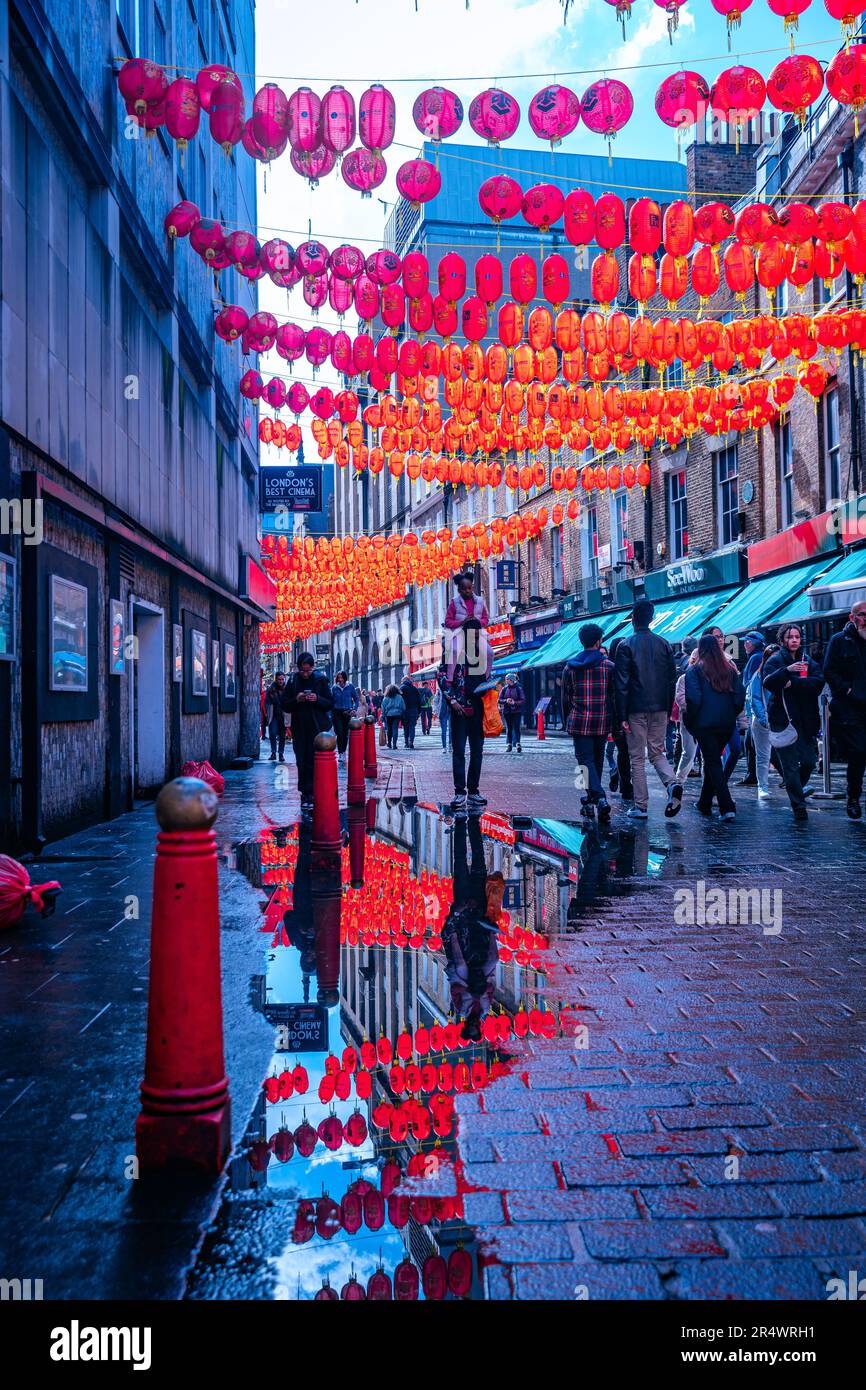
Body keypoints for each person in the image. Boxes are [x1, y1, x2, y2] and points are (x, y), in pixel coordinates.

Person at [614, 599, 681, 820]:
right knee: (657, 752)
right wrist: (668, 706)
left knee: (637, 758)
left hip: (635, 708)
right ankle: (672, 784)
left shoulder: (625, 645)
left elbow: (622, 683)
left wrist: (621, 715)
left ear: (633, 618)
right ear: (652, 619)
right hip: (660, 707)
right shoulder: (664, 644)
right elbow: (671, 679)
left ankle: (641, 806)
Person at [763, 623, 824, 821]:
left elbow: (818, 682)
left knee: (809, 762)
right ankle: (799, 807)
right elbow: (769, 682)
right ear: (782, 640)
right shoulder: (775, 660)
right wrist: (787, 671)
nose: (794, 640)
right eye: (790, 637)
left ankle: (796, 787)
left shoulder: (808, 660)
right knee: (789, 766)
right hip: (783, 719)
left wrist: (793, 684)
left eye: (797, 637)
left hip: (806, 720)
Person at [684, 633, 745, 821]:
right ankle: (704, 802)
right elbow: (739, 697)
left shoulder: (694, 670)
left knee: (713, 763)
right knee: (713, 761)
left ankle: (727, 806)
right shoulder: (729, 669)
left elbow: (693, 699)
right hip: (725, 724)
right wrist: (731, 714)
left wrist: (691, 721)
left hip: (704, 724)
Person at [562, 622, 615, 823]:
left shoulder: (570, 668)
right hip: (601, 721)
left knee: (585, 762)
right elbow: (614, 697)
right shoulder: (609, 667)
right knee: (596, 760)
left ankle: (597, 797)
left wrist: (567, 719)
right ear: (599, 641)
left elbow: (565, 697)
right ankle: (595, 797)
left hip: (579, 721)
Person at [823, 599, 866, 820]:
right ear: (852, 617)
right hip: (850, 711)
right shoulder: (840, 640)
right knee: (858, 753)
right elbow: (829, 670)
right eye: (863, 615)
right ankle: (853, 796)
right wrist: (847, 690)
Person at [439, 622, 487, 814]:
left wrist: (488, 687)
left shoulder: (480, 653)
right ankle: (460, 792)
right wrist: (452, 701)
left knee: (477, 751)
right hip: (459, 708)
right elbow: (442, 677)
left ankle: (473, 790)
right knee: (459, 751)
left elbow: (482, 678)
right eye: (474, 635)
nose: (476, 638)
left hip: (476, 707)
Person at [282, 653, 334, 813]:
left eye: (308, 671)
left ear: (312, 668)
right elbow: (285, 704)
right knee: (301, 760)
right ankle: (304, 792)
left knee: (313, 760)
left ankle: (312, 792)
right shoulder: (292, 681)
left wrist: (317, 698)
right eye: (303, 671)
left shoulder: (320, 680)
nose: (305, 674)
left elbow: (330, 703)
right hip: (299, 727)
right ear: (298, 668)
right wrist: (297, 699)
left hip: (316, 727)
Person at [444, 572, 492, 680]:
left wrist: (478, 622)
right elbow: (448, 621)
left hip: (475, 633)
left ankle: (487, 676)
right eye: (464, 588)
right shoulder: (454, 603)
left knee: (489, 653)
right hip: (460, 632)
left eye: (469, 588)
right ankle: (449, 678)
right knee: (455, 650)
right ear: (459, 590)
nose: (467, 591)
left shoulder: (479, 601)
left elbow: (485, 618)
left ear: (472, 587)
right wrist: (462, 622)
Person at [746, 643, 779, 800]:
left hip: (780, 719)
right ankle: (762, 786)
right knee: (763, 756)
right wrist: (764, 719)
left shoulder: (784, 673)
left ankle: (798, 783)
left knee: (785, 754)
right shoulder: (759, 676)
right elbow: (755, 699)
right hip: (763, 721)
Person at [737, 631, 766, 786]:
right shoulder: (757, 657)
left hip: (754, 706)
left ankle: (752, 775)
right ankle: (752, 774)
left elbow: (750, 682)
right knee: (752, 742)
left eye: (747, 641)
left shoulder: (756, 658)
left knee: (754, 742)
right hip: (754, 706)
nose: (744, 644)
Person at [607, 636, 633, 805]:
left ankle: (621, 779)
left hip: (622, 717)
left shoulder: (614, 669)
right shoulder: (613, 670)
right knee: (626, 751)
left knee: (626, 752)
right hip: (621, 718)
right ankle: (626, 785)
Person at [674, 641, 701, 789]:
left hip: (704, 720)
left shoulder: (707, 677)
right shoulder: (684, 679)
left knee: (705, 753)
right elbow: (680, 699)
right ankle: (679, 780)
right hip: (689, 720)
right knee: (689, 752)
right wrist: (695, 708)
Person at [331, 670, 359, 763]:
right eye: (338, 678)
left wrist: (354, 709)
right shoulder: (334, 688)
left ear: (344, 678)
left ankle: (343, 753)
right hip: (336, 712)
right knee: (339, 732)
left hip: (347, 712)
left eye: (341, 677)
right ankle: (340, 752)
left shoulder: (350, 686)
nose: (340, 679)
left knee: (345, 733)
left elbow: (356, 699)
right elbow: (331, 701)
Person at [499, 672, 526, 753]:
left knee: (517, 728)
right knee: (509, 728)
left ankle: (518, 744)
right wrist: (506, 701)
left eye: (507, 679)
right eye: (506, 679)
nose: (506, 681)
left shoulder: (518, 688)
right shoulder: (504, 689)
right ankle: (509, 745)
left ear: (511, 680)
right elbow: (499, 700)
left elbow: (523, 700)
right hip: (507, 712)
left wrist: (515, 702)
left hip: (516, 711)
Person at [265, 671, 288, 762]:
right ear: (276, 679)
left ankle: (281, 753)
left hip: (283, 714)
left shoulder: (287, 689)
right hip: (273, 714)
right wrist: (268, 712)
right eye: (279, 679)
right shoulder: (271, 689)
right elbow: (267, 702)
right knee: (273, 733)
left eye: (282, 679)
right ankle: (273, 752)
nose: (281, 681)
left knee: (282, 735)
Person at [400, 675, 422, 748]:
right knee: (412, 726)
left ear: (403, 681)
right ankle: (411, 742)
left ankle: (406, 742)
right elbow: (419, 700)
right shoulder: (415, 688)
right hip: (414, 710)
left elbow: (400, 701)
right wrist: (419, 711)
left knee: (406, 727)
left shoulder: (402, 688)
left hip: (405, 710)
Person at [381, 684, 405, 750]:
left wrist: (382, 716)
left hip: (388, 715)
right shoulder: (399, 697)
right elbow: (403, 706)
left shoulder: (386, 698)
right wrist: (402, 712)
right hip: (397, 714)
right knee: (395, 728)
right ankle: (394, 744)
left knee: (389, 729)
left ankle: (389, 743)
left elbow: (383, 707)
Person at [432, 669, 451, 753]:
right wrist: (435, 710)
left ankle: (450, 745)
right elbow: (435, 700)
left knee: (451, 729)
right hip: (442, 711)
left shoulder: (451, 687)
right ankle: (444, 747)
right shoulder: (440, 690)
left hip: (451, 710)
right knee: (443, 730)